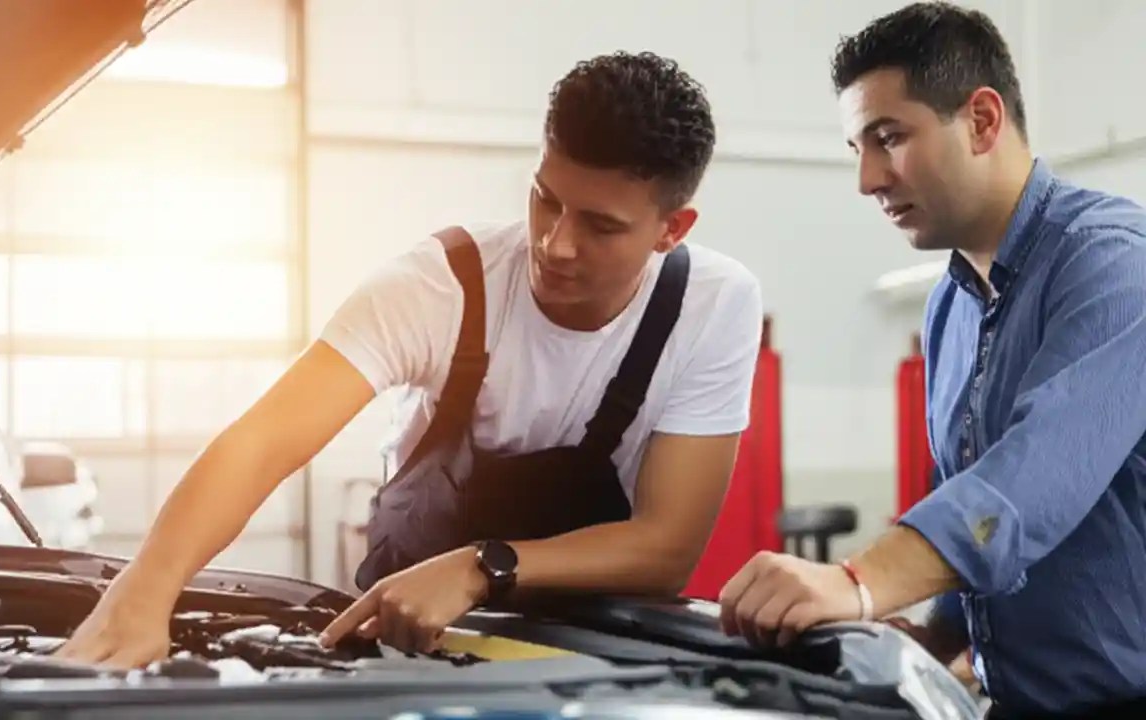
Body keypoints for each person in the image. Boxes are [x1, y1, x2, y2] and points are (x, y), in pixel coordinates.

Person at [57, 50, 764, 667]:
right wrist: (144, 591)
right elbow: (264, 440)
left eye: (601, 225)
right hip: (399, 641)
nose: (555, 244)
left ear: (672, 228)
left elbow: (667, 546)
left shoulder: (710, 306)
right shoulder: (441, 284)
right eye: (546, 199)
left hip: (593, 652)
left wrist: (481, 567)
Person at [716, 3, 1146, 718]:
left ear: (982, 120)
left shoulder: (1115, 263)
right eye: (857, 148)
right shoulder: (950, 306)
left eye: (888, 138)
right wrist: (930, 633)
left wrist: (857, 580)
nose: (869, 179)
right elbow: (966, 492)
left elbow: (1025, 486)